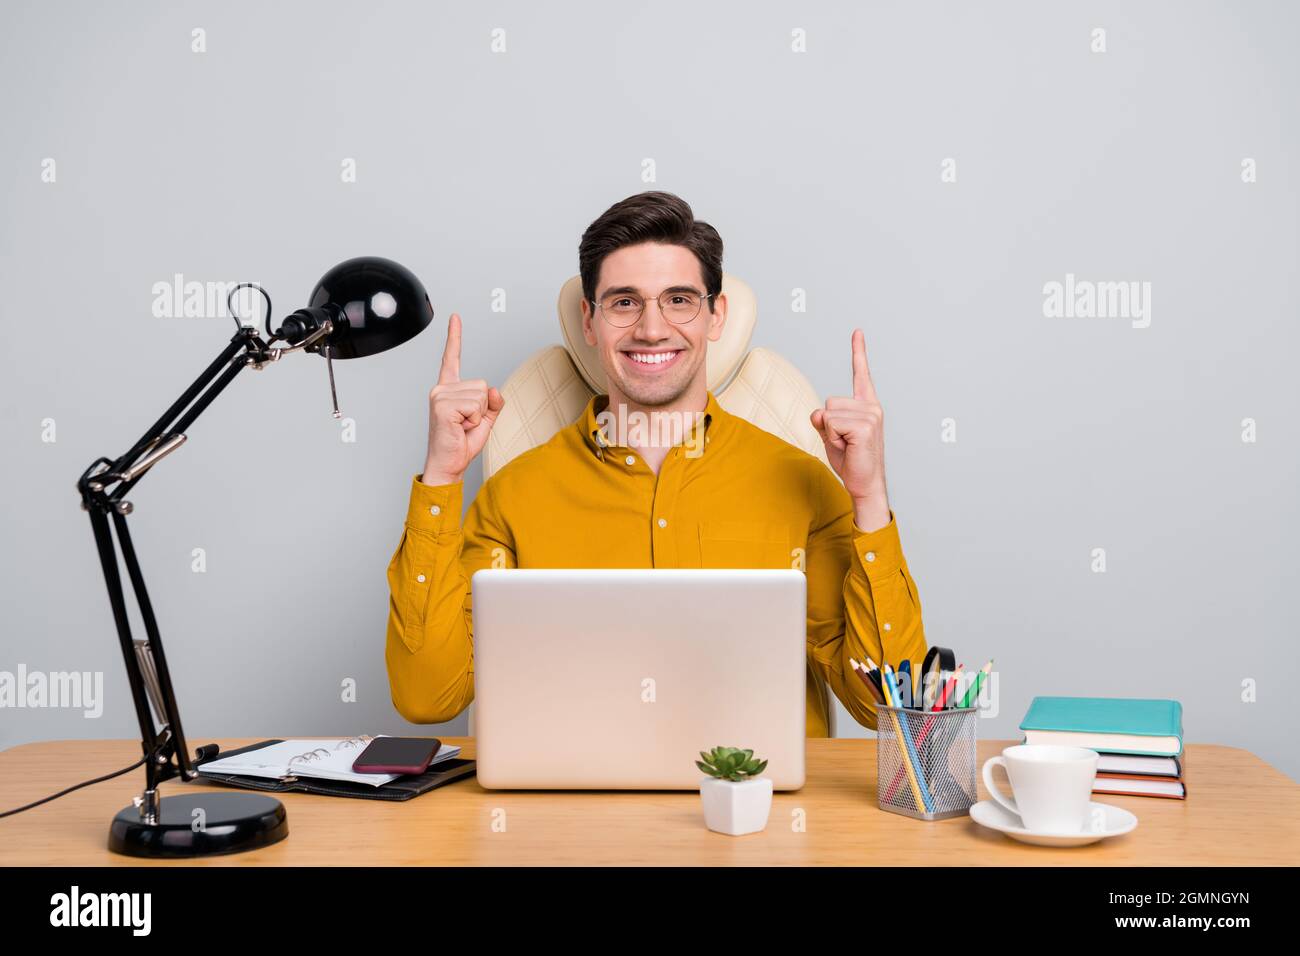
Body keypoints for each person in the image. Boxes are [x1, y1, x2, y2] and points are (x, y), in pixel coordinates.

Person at [385, 191, 927, 736]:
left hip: (758, 811)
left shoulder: (806, 485)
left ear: (715, 315)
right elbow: (428, 697)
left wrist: (870, 499)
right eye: (624, 302)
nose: (651, 329)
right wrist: (441, 478)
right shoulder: (513, 494)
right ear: (590, 321)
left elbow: (890, 710)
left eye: (679, 300)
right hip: (574, 813)